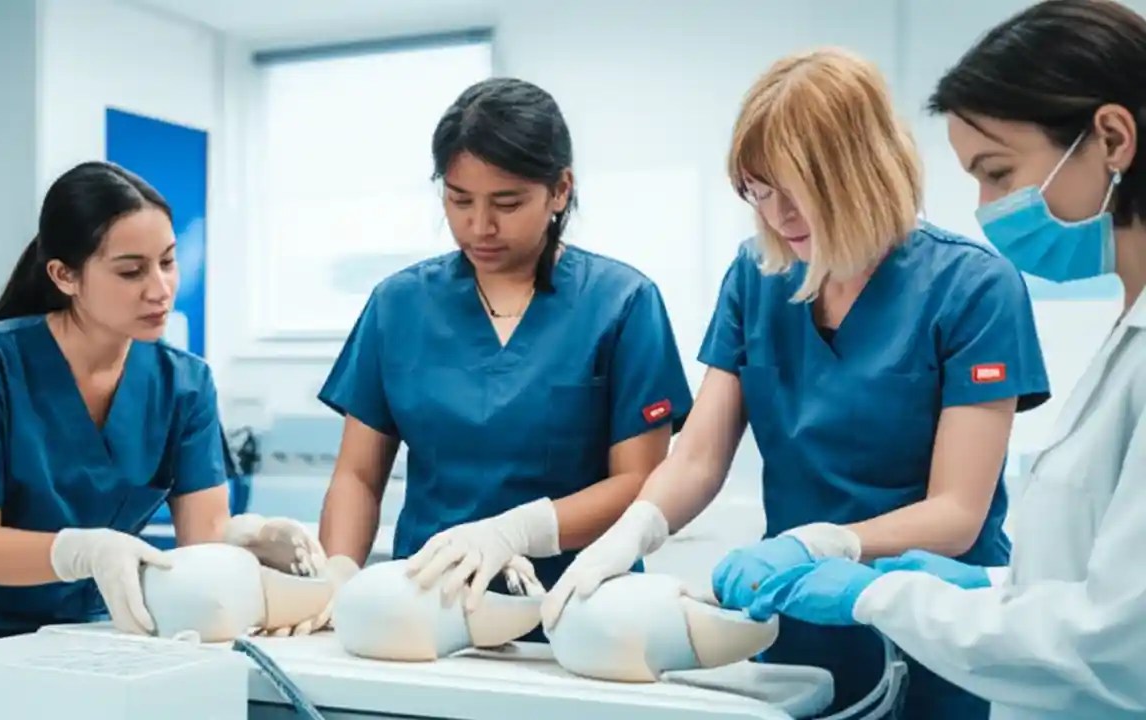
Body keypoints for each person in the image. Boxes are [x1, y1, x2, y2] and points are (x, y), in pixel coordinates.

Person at [540, 47, 1052, 718]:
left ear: (858, 169)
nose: (777, 213)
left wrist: (825, 542)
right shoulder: (758, 277)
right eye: (758, 190)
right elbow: (696, 457)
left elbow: (957, 512)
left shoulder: (974, 288)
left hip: (936, 624)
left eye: (793, 187)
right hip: (796, 622)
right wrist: (633, 532)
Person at [741, 2, 1146, 718]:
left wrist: (875, 588)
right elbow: (1090, 583)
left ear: (1112, 138)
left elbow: (1117, 644)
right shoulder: (1128, 336)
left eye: (997, 172)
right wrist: (987, 588)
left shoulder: (969, 286)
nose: (986, 207)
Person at [0, 161, 315, 720]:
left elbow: (203, 542)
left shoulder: (185, 383)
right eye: (131, 271)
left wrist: (252, 539)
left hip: (60, 639)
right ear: (64, 275)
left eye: (169, 262)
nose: (161, 289)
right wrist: (83, 548)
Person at [300, 77, 694, 636]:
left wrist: (515, 531)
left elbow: (641, 483)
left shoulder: (622, 303)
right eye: (459, 200)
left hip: (579, 614)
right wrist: (339, 571)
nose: (479, 226)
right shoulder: (400, 304)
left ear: (560, 191)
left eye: (507, 204)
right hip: (427, 607)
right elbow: (359, 475)